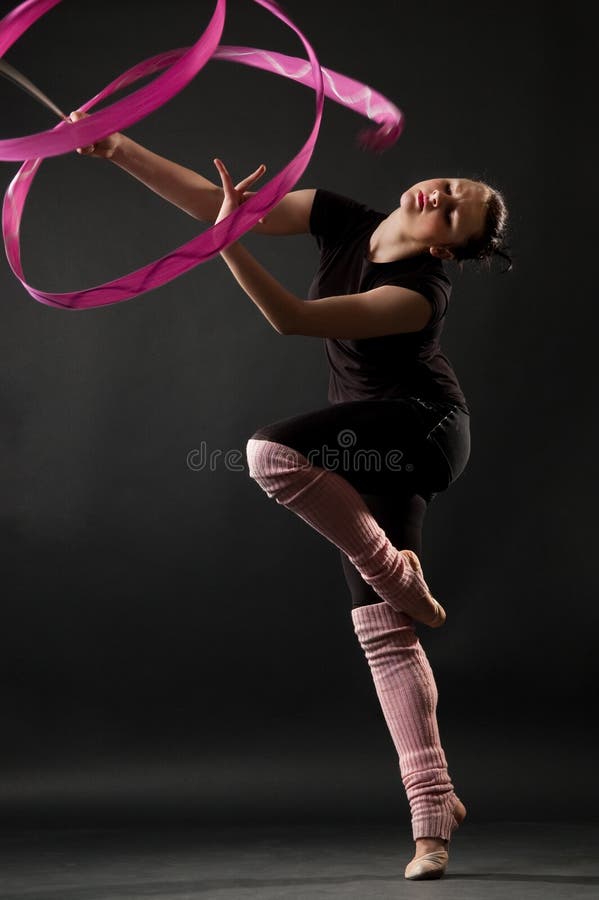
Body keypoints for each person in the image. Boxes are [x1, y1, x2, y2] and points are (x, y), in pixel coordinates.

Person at [69, 110, 510, 880]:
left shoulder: (419, 292)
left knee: (269, 455)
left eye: (452, 212)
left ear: (444, 247)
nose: (439, 195)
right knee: (385, 632)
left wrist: (226, 241)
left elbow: (290, 318)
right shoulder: (340, 216)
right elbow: (213, 202)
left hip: (423, 429)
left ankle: (396, 574)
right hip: (364, 433)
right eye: (450, 186)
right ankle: (433, 812)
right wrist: (117, 148)